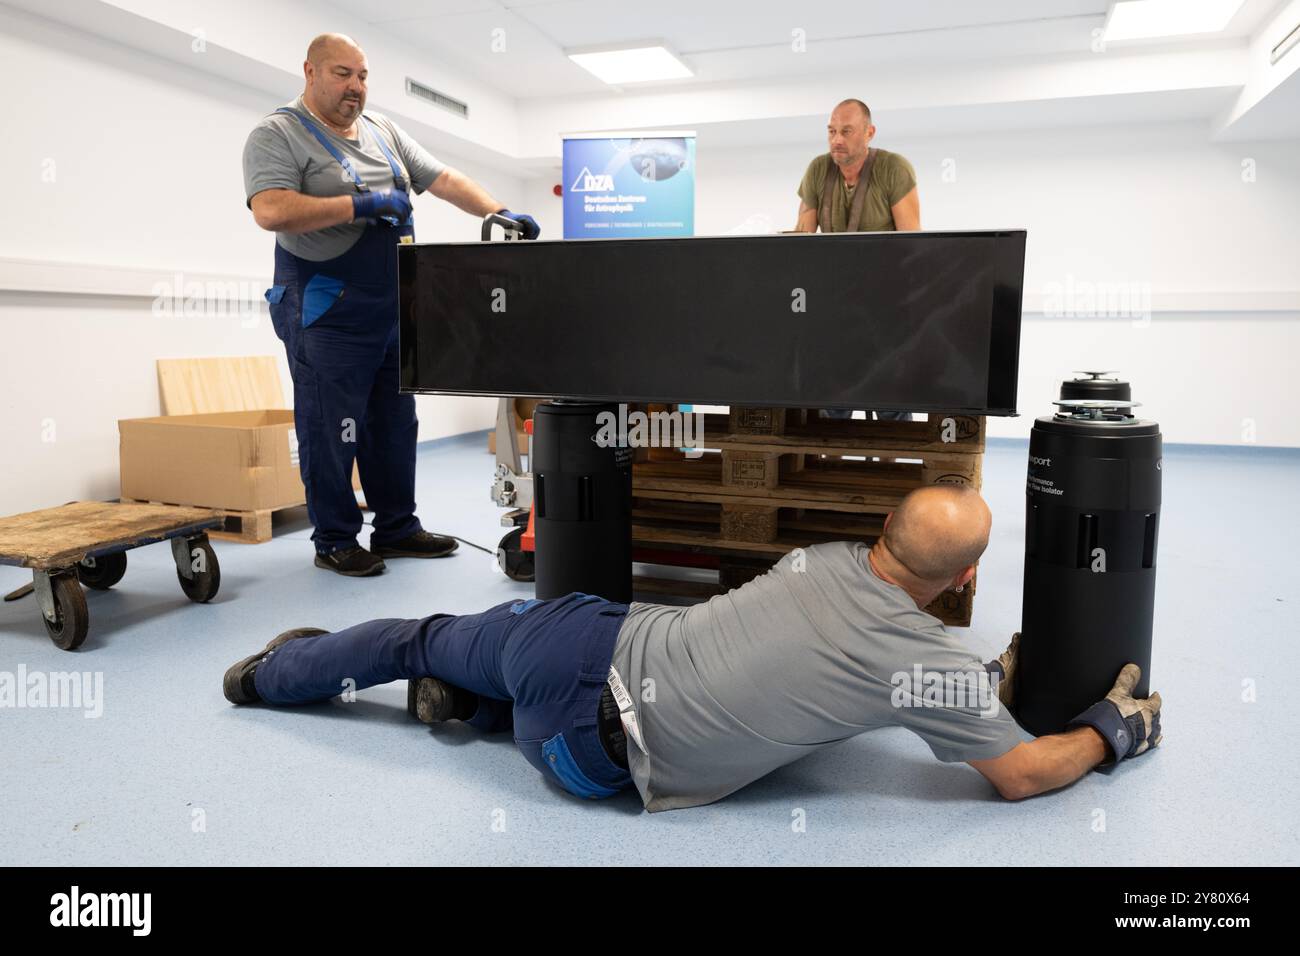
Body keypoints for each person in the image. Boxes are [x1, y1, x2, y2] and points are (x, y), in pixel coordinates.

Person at [222, 485, 1163, 812]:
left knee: (419, 636)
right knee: (524, 715)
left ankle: (269, 677)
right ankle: (478, 709)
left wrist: (975, 688)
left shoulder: (820, 558)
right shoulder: (932, 672)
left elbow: (850, 663)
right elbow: (1024, 773)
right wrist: (1109, 731)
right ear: (962, 583)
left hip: (574, 636)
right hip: (588, 760)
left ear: (881, 528)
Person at [242, 33, 540, 577]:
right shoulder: (277, 133)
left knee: (393, 422)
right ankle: (334, 538)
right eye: (341, 74)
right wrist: (358, 204)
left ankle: (397, 528)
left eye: (362, 76)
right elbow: (271, 209)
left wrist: (500, 211)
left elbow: (442, 177)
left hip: (391, 305)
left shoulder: (382, 131)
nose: (355, 86)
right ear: (309, 71)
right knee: (332, 425)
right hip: (324, 304)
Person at [794, 98, 921, 424]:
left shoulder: (893, 169)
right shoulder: (818, 170)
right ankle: (830, 467)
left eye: (846, 131)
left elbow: (913, 245)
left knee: (890, 401)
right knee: (832, 401)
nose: (837, 139)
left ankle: (890, 470)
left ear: (869, 133)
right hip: (835, 304)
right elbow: (801, 240)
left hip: (884, 304)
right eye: (832, 131)